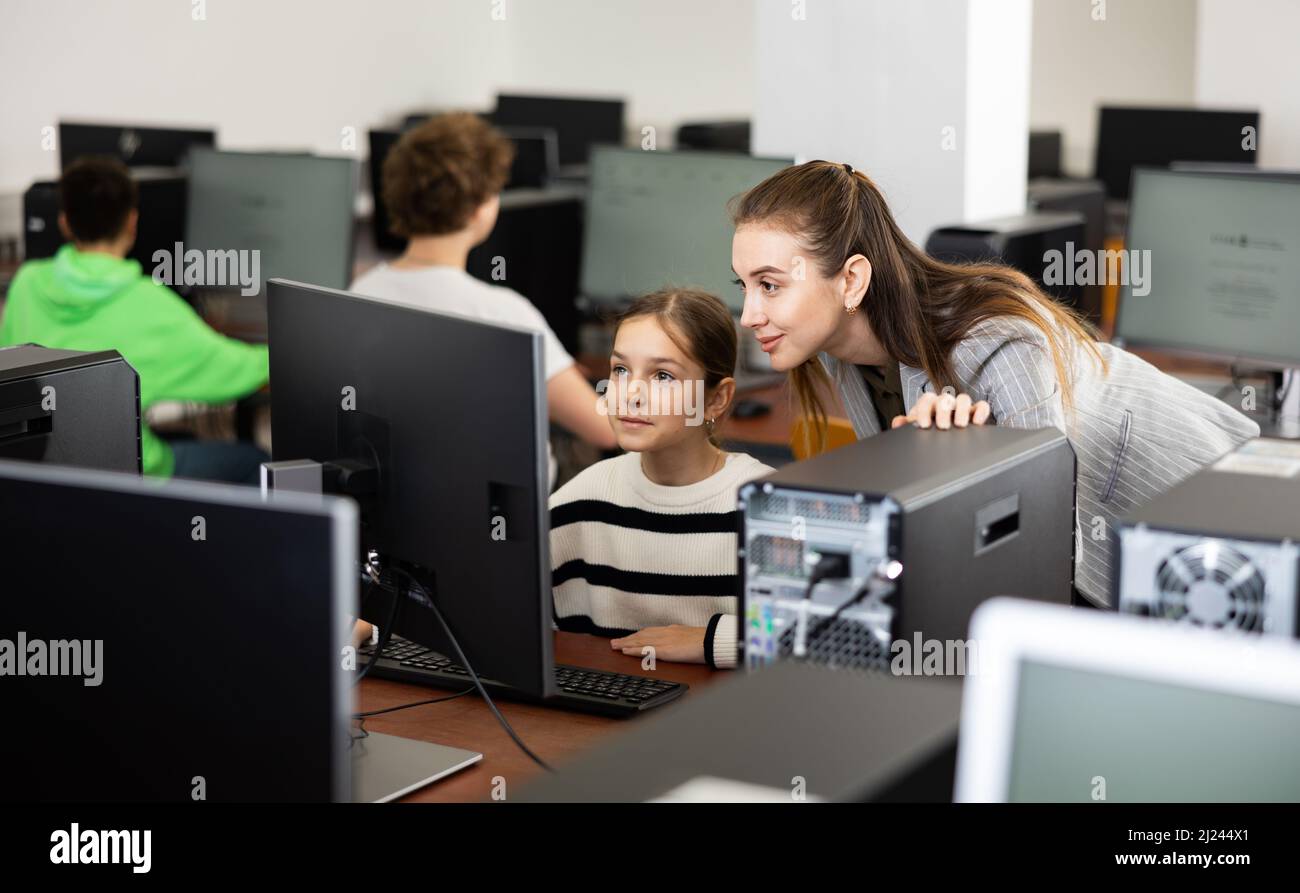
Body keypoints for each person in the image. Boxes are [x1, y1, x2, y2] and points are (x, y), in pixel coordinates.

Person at [729, 160, 1259, 607]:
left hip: (1226, 526)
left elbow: (1041, 548)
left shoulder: (994, 340)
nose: (750, 314)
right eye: (746, 286)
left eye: (771, 286)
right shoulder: (844, 357)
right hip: (1135, 571)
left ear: (851, 280)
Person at [350, 111, 616, 485]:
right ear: (480, 208)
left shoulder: (360, 294)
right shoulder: (502, 312)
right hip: (505, 530)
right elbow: (603, 429)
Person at [0, 156, 269, 483]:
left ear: (64, 222)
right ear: (132, 222)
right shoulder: (148, 302)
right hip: (134, 477)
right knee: (254, 460)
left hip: (42, 475)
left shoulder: (26, 283)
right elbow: (239, 372)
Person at [548, 288, 774, 668]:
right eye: (620, 370)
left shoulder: (767, 510)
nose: (631, 393)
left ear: (716, 399)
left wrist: (712, 641)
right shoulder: (579, 502)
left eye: (663, 376)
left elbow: (831, 640)